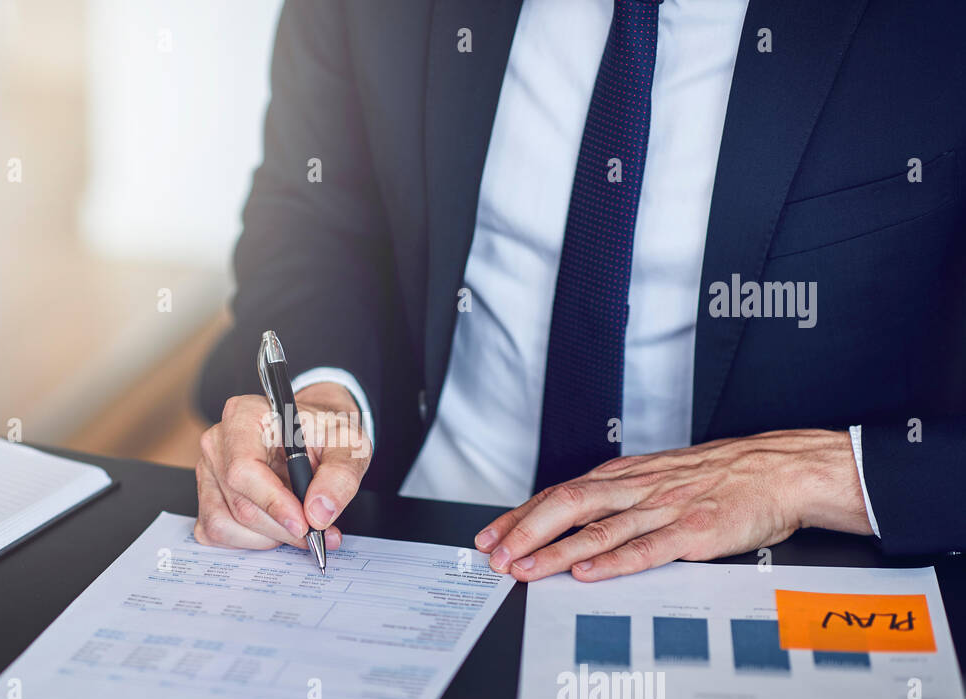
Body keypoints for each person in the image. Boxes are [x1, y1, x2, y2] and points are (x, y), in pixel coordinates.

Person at [195, 0, 966, 583]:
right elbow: (316, 215)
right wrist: (326, 397)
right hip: (399, 541)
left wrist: (821, 474)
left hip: (780, 575)